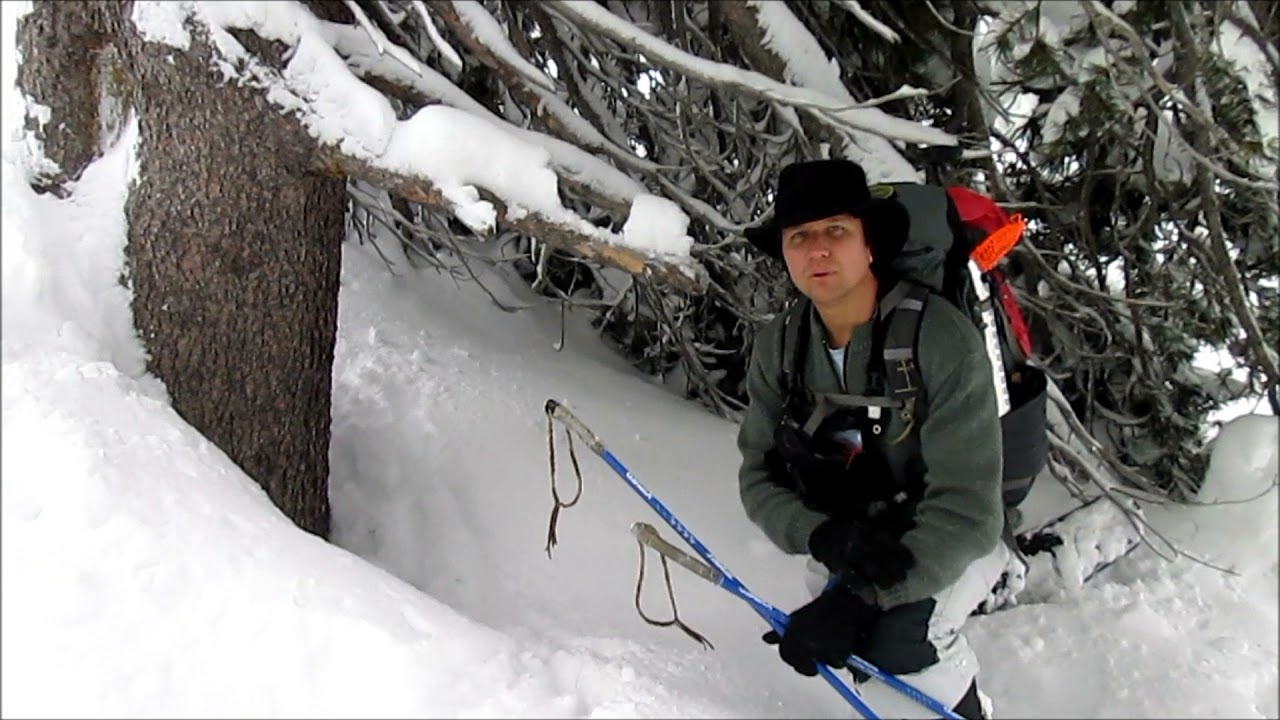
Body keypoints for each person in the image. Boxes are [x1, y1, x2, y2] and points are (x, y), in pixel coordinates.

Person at [737, 159, 1009, 719]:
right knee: (861, 648)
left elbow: (970, 507)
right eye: (799, 236)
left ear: (869, 244)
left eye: (836, 230)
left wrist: (860, 599)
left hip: (955, 532)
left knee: (898, 642)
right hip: (856, 536)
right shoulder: (780, 347)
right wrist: (824, 537)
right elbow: (757, 474)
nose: (818, 250)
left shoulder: (940, 340)